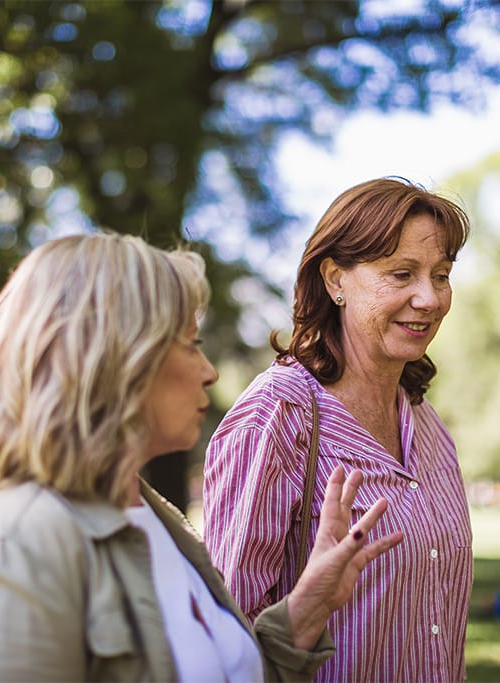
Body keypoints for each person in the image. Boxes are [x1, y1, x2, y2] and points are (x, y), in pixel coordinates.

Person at [0, 231, 404, 682]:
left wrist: (304, 612)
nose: (210, 372)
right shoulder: (14, 552)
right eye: (191, 344)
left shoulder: (154, 517)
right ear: (116, 357)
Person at [202, 177, 474, 682]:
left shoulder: (427, 424)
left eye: (441, 275)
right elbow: (227, 637)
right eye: (401, 274)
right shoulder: (278, 416)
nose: (430, 299)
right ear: (335, 281)